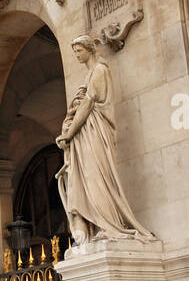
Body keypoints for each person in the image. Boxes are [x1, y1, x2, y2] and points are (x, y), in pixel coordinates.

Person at [56, 35, 156, 246]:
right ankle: (99, 226)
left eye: (79, 51)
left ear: (89, 49)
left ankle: (109, 225)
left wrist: (69, 133)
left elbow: (88, 104)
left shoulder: (100, 70)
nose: (76, 55)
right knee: (87, 177)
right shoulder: (89, 74)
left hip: (95, 131)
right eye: (74, 52)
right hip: (87, 134)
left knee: (96, 177)